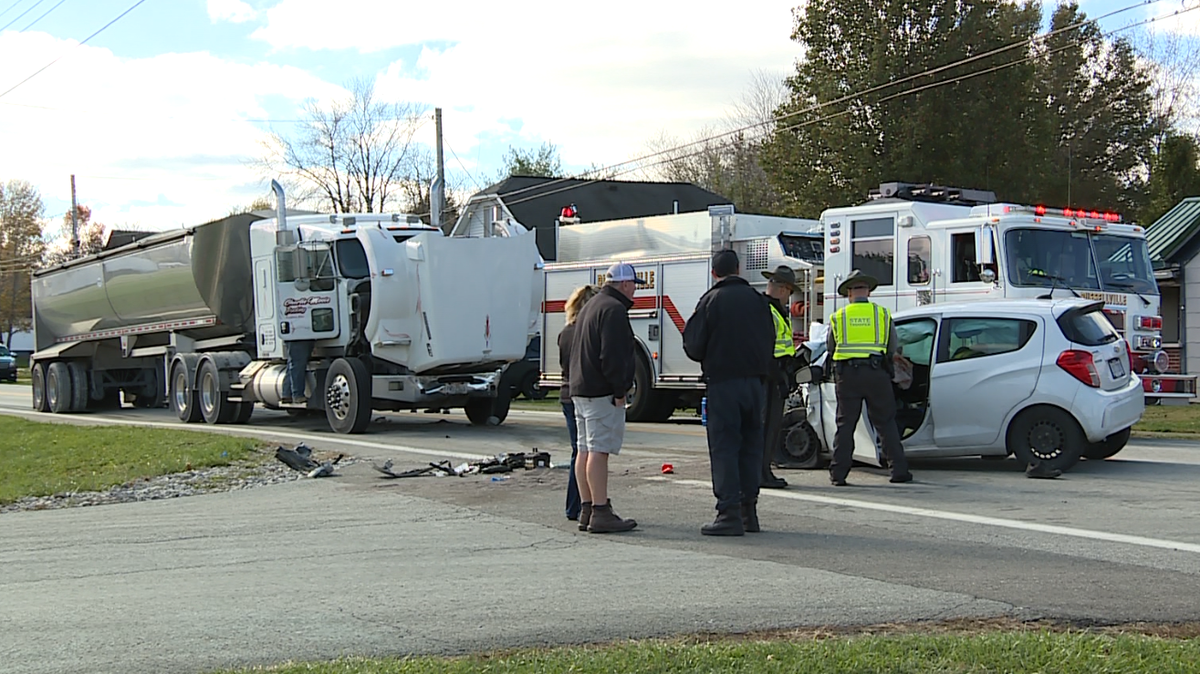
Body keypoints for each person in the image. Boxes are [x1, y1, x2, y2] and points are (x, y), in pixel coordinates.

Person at [683, 249, 775, 536]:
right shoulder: (759, 302)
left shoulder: (710, 302)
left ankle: (729, 513)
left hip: (723, 383)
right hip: (755, 385)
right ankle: (750, 511)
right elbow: (770, 339)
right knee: (750, 447)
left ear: (714, 273)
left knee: (724, 447)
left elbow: (693, 345)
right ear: (738, 269)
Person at [569, 262, 644, 533]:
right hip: (601, 390)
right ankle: (601, 510)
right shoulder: (614, 311)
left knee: (584, 449)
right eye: (634, 284)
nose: (635, 290)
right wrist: (620, 389)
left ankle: (587, 507)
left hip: (580, 387)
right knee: (599, 451)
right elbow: (613, 355)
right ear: (624, 284)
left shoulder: (591, 306)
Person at [826, 269, 912, 486]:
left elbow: (830, 348)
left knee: (846, 425)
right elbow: (892, 347)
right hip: (876, 375)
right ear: (869, 292)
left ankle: (838, 474)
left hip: (848, 377)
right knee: (885, 423)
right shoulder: (882, 314)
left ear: (849, 294)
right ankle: (899, 470)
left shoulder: (838, 317)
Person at [558, 283, 600, 522]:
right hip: (584, 393)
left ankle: (575, 504)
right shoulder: (586, 331)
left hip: (566, 393)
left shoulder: (565, 333)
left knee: (578, 450)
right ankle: (587, 502)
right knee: (587, 451)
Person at [760, 265, 798, 490]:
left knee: (770, 427)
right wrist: (779, 375)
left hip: (775, 375)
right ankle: (762, 473)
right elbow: (766, 349)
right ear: (784, 289)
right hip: (770, 378)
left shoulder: (775, 310)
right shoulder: (768, 310)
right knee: (766, 427)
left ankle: (764, 470)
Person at [282, 340, 314, 405]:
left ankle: (287, 393)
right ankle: (297, 395)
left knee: (294, 364)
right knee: (298, 363)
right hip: (299, 337)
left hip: (295, 337)